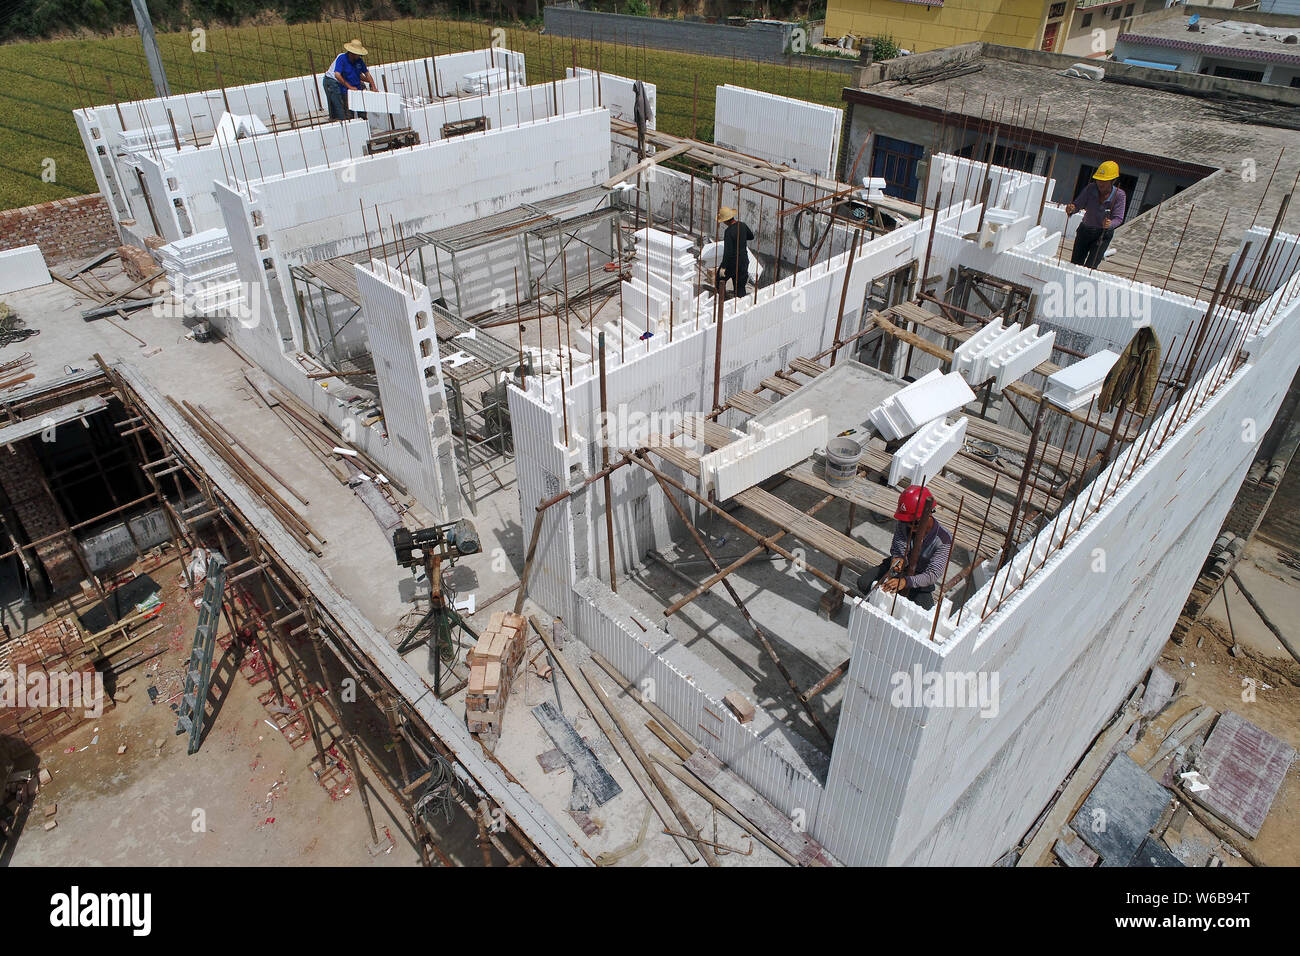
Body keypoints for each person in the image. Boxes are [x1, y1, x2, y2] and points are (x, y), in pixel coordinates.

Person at [857, 484, 952, 610]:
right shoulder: (903, 524)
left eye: (914, 523)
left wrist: (905, 582)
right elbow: (898, 550)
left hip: (920, 579)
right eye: (907, 523)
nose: (910, 527)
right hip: (900, 569)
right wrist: (895, 568)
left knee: (923, 614)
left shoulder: (944, 540)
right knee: (864, 583)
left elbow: (932, 574)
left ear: (929, 515)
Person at [1066, 161, 1127, 270]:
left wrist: (1110, 224)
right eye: (1099, 180)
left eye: (1104, 181)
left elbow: (1118, 218)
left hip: (1102, 235)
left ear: (1113, 181)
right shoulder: (1091, 188)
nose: (1100, 183)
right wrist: (1072, 209)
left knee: (1091, 266)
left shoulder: (1119, 195)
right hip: (1085, 231)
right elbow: (1078, 204)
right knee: (1075, 264)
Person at [323, 39, 377, 122]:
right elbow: (337, 75)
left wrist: (373, 86)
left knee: (362, 111)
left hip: (357, 89)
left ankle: (362, 124)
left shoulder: (359, 61)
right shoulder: (342, 58)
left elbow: (366, 74)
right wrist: (350, 87)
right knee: (346, 112)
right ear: (352, 53)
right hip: (343, 88)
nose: (359, 56)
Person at [716, 207, 754, 299]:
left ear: (726, 221)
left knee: (719, 280)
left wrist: (723, 267)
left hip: (732, 263)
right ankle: (740, 305)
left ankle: (723, 300)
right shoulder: (742, 225)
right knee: (740, 287)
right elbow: (751, 236)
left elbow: (728, 252)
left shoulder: (728, 232)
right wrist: (741, 238)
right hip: (744, 261)